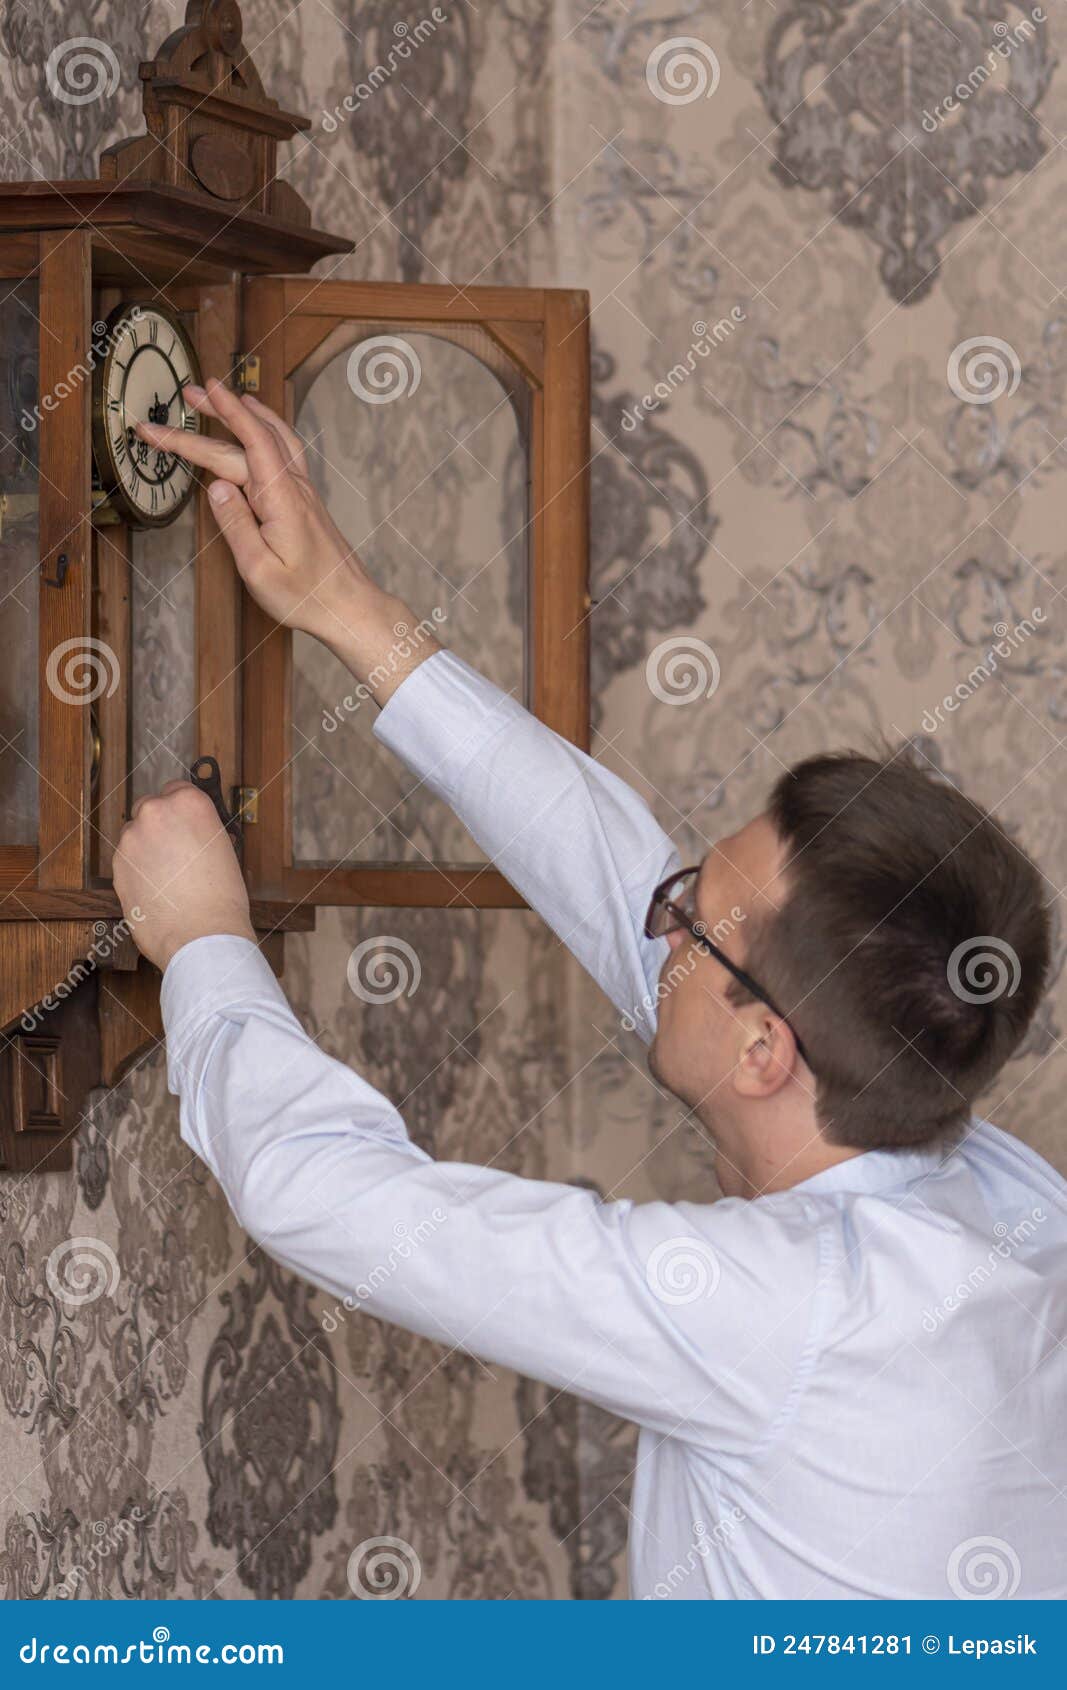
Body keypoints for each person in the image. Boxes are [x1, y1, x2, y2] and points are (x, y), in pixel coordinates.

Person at [115, 380, 1067, 1601]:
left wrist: (202, 938)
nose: (653, 918)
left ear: (767, 1052)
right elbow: (619, 878)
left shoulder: (777, 1307)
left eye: (689, 922)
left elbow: (338, 1201)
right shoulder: (994, 1193)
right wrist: (346, 609)